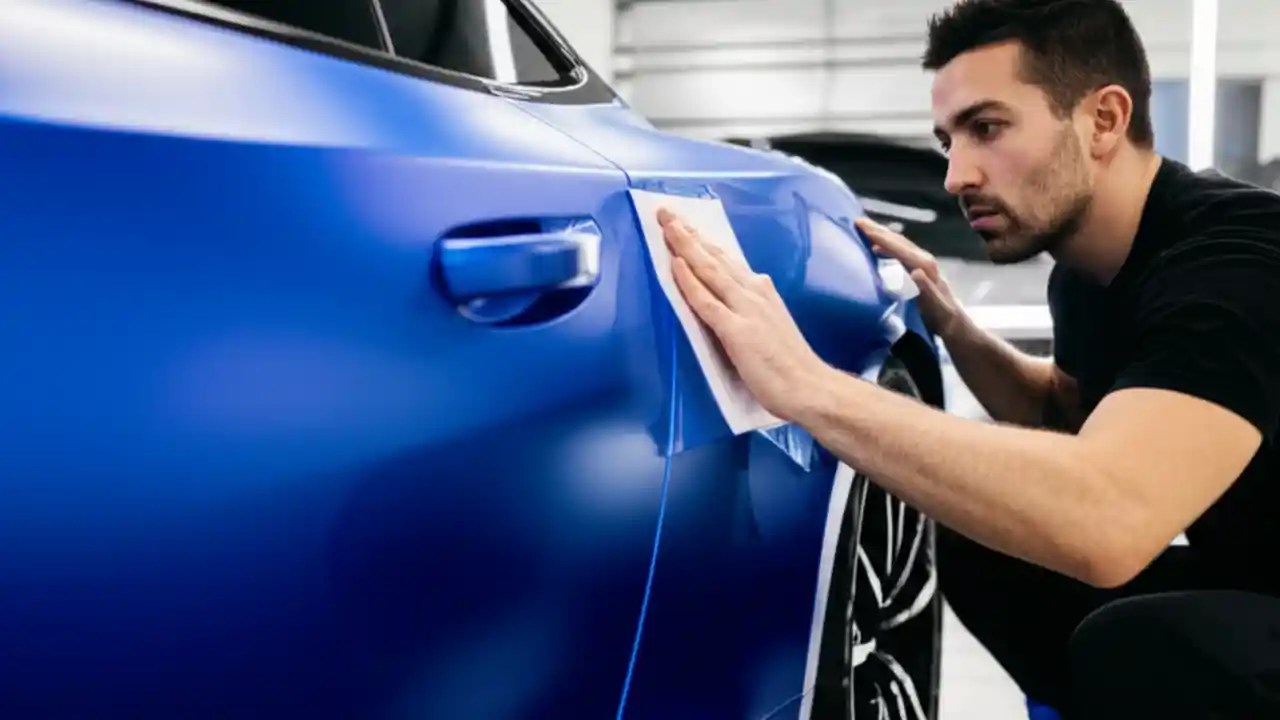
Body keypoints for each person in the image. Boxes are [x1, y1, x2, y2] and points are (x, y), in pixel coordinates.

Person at [655, 0, 1280, 717]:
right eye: (948, 141)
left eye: (986, 129)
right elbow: (1066, 413)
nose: (954, 176)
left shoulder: (1241, 260)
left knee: (1141, 641)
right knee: (981, 535)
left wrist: (807, 387)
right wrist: (953, 325)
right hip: (1251, 582)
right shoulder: (1083, 275)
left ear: (1104, 120)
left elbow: (1110, 518)